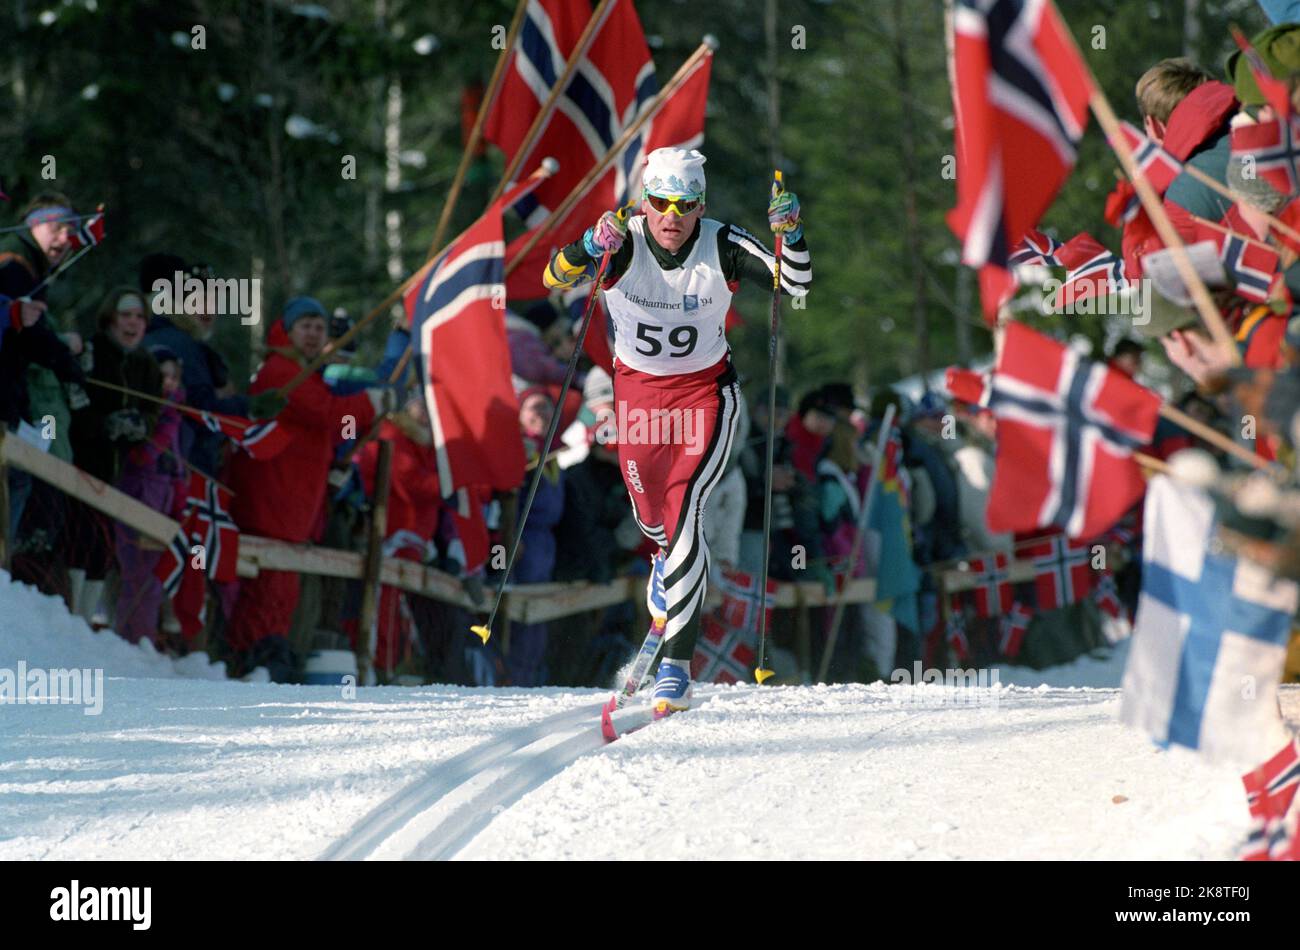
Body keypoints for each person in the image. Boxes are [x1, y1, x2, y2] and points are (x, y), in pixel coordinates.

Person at [542, 146, 811, 716]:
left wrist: (792, 231)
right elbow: (552, 275)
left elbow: (796, 286)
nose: (672, 216)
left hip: (706, 397)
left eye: (685, 205)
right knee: (655, 526)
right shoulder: (623, 239)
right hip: (637, 400)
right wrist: (587, 247)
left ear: (700, 205)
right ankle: (669, 566)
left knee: (686, 512)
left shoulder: (722, 243)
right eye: (661, 202)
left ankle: (677, 666)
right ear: (646, 201)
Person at [225, 297, 383, 682]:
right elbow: (331, 415)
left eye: (319, 327)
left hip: (293, 504)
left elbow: (328, 425)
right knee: (267, 588)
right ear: (288, 330)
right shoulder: (283, 371)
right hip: (273, 499)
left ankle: (271, 657)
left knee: (283, 589)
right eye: (305, 326)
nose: (314, 334)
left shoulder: (306, 373)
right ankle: (254, 658)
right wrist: (370, 402)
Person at [67, 288, 163, 625]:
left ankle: (85, 619)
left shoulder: (146, 364)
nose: (133, 323)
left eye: (139, 317)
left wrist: (140, 426)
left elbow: (153, 410)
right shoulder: (91, 353)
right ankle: (68, 615)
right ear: (111, 319)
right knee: (79, 536)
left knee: (103, 545)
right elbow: (74, 404)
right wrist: (102, 424)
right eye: (126, 315)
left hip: (120, 471)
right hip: (81, 462)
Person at [114, 344, 187, 646]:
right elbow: (143, 456)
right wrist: (163, 423)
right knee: (135, 572)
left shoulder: (175, 415)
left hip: (163, 496)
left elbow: (178, 464)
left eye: (174, 377)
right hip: (139, 490)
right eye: (163, 377)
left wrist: (180, 497)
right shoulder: (152, 412)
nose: (168, 383)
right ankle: (131, 637)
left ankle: (143, 636)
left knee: (153, 574)